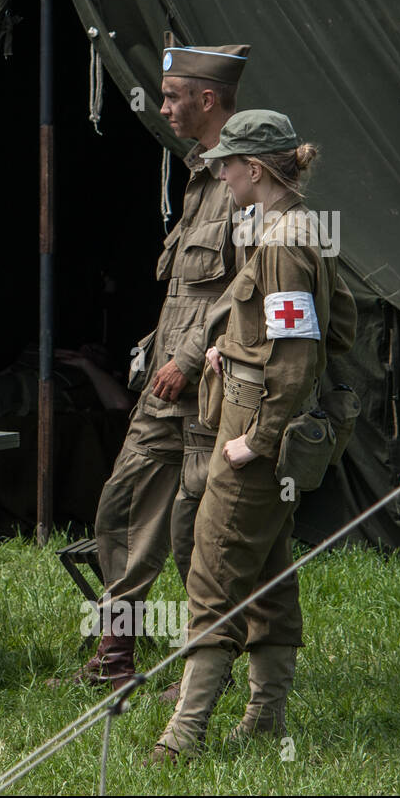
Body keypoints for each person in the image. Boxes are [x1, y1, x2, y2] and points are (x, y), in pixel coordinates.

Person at [150, 110, 356, 761]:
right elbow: (340, 322)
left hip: (259, 433)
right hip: (254, 412)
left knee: (212, 575)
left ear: (256, 170)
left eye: (227, 164)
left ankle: (182, 738)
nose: (220, 173)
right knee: (268, 569)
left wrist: (258, 440)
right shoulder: (300, 229)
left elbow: (297, 354)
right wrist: (234, 351)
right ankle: (267, 717)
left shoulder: (283, 239)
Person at [51, 34, 251, 691]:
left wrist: (192, 358)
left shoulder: (245, 179)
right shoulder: (199, 174)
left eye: (171, 97)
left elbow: (250, 285)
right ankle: (116, 654)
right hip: (162, 386)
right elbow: (188, 289)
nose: (162, 108)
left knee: (198, 530)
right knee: (122, 504)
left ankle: (205, 670)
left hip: (209, 389)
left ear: (207, 97)